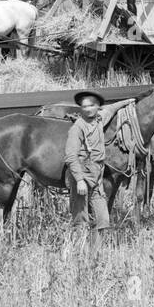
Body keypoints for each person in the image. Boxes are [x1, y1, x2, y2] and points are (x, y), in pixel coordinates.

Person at [64, 91, 111, 233]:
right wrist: (79, 180)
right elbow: (70, 156)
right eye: (84, 106)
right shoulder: (77, 128)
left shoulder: (100, 119)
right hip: (82, 173)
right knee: (80, 218)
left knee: (103, 219)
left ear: (98, 107)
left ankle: (97, 253)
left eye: (91, 105)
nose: (88, 109)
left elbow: (113, 108)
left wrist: (131, 100)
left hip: (97, 174)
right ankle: (80, 252)